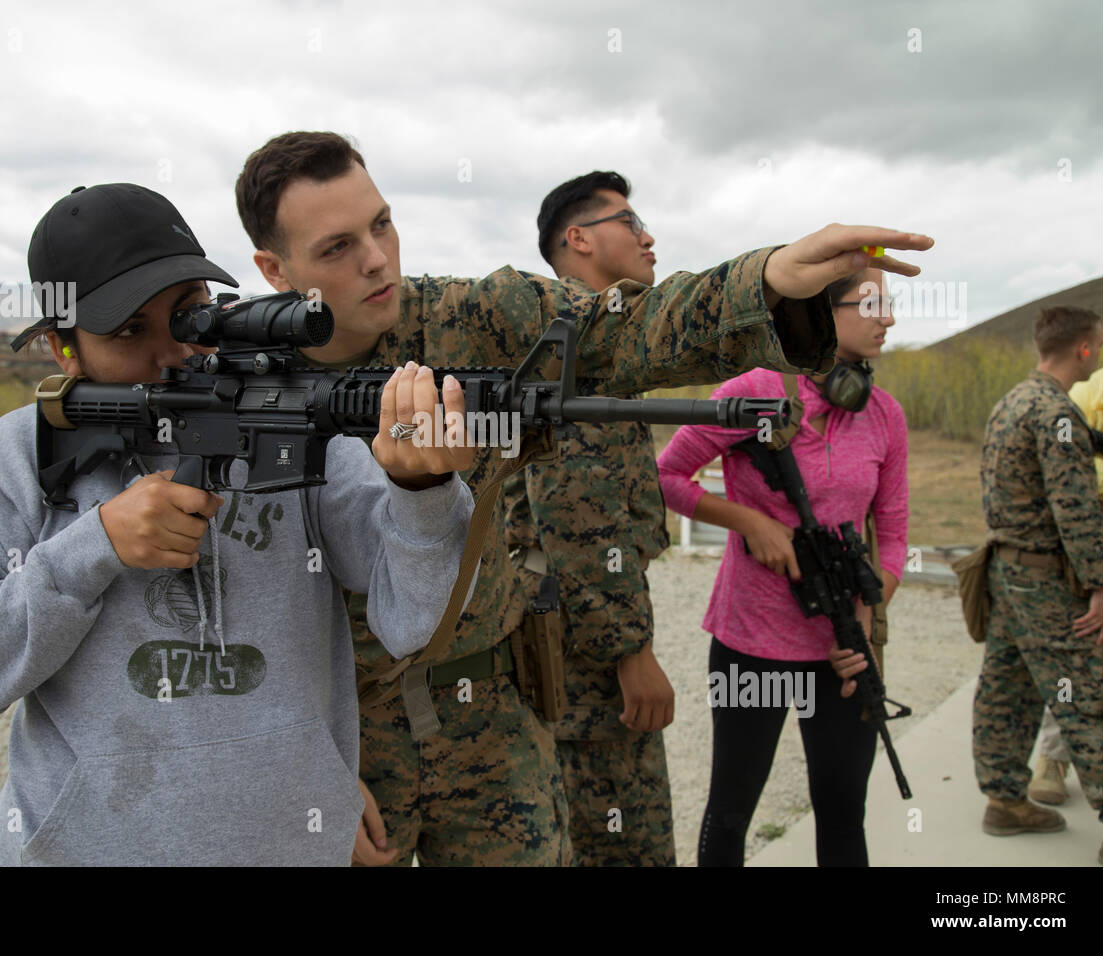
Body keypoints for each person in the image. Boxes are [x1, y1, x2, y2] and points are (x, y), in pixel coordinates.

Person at [234, 130, 933, 866]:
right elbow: (230, 619)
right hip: (351, 733)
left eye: (381, 224)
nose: (377, 259)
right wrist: (309, 770)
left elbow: (625, 329)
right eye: (337, 247)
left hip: (490, 715)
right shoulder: (237, 384)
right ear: (275, 269)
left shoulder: (472, 317)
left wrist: (766, 282)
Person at [0, 182, 477, 866]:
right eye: (129, 332)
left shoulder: (298, 422)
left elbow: (414, 620)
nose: (174, 353)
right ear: (63, 350)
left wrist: (423, 488)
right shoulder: (18, 454)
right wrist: (95, 547)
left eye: (187, 316)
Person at [656, 268, 909, 866]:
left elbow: (894, 537)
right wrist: (751, 522)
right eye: (872, 304)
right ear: (822, 313)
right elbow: (665, 477)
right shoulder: (754, 391)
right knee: (732, 809)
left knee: (844, 811)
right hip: (752, 641)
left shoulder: (885, 416)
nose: (889, 319)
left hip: (843, 652)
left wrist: (869, 615)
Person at [502, 170, 676, 866]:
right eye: (630, 222)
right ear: (578, 238)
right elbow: (575, 513)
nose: (649, 236)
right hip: (585, 653)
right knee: (627, 845)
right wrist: (630, 653)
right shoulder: (574, 337)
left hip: (576, 634)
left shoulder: (582, 334)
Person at [975, 305, 1103, 849]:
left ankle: (1005, 798)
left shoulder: (1013, 401)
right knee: (1092, 692)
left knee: (1005, 687)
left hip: (1006, 572)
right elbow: (1075, 508)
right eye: (1096, 348)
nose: (1099, 355)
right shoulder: (1056, 413)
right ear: (1083, 349)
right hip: (1044, 579)